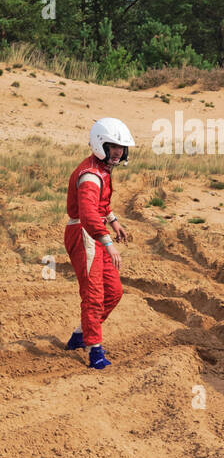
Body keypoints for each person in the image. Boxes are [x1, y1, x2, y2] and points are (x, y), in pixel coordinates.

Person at [65, 118, 134, 369]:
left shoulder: (101, 169)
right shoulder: (90, 176)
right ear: (100, 144)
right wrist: (108, 243)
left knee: (113, 292)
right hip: (84, 235)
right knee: (93, 295)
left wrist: (114, 222)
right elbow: (88, 213)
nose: (118, 151)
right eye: (113, 145)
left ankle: (80, 335)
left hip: (94, 234)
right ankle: (94, 351)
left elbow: (101, 206)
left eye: (121, 147)